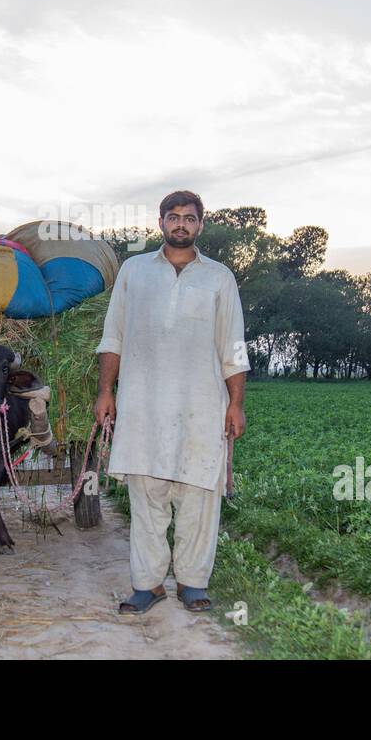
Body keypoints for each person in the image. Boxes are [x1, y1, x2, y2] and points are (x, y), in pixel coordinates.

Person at [94, 190, 249, 614]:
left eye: (190, 218)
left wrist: (235, 402)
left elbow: (232, 345)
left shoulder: (219, 278)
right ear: (160, 222)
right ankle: (147, 585)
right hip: (143, 405)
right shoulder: (134, 272)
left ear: (200, 225)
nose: (181, 224)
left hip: (201, 405)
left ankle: (192, 583)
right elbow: (114, 336)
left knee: (199, 493)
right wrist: (106, 391)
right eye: (174, 217)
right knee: (147, 495)